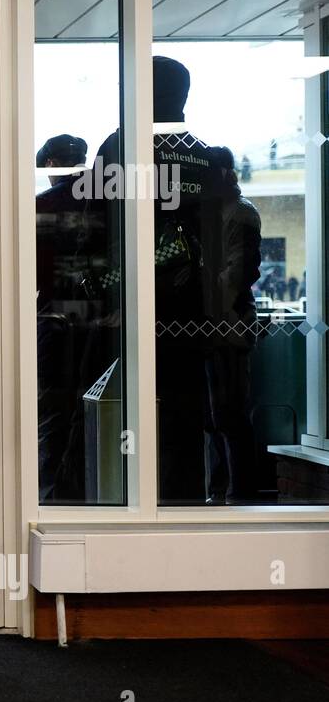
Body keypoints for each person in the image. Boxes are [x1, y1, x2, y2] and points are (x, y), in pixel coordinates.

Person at [94, 56, 231, 505]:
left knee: (127, 412)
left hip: (130, 307)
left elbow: (97, 224)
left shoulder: (120, 147)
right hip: (193, 313)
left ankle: (128, 503)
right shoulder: (205, 156)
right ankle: (183, 506)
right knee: (186, 416)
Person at [34, 134, 117, 503]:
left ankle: (52, 495)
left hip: (55, 320)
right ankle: (89, 490)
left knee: (53, 412)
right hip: (102, 322)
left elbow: (32, 272)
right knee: (90, 410)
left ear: (51, 165)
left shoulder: (42, 205)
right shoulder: (105, 202)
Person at [203, 146, 261, 504]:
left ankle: (238, 494)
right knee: (215, 418)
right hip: (217, 325)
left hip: (229, 326)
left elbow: (237, 275)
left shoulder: (240, 213)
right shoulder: (218, 212)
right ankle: (221, 491)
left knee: (229, 415)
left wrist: (204, 302)